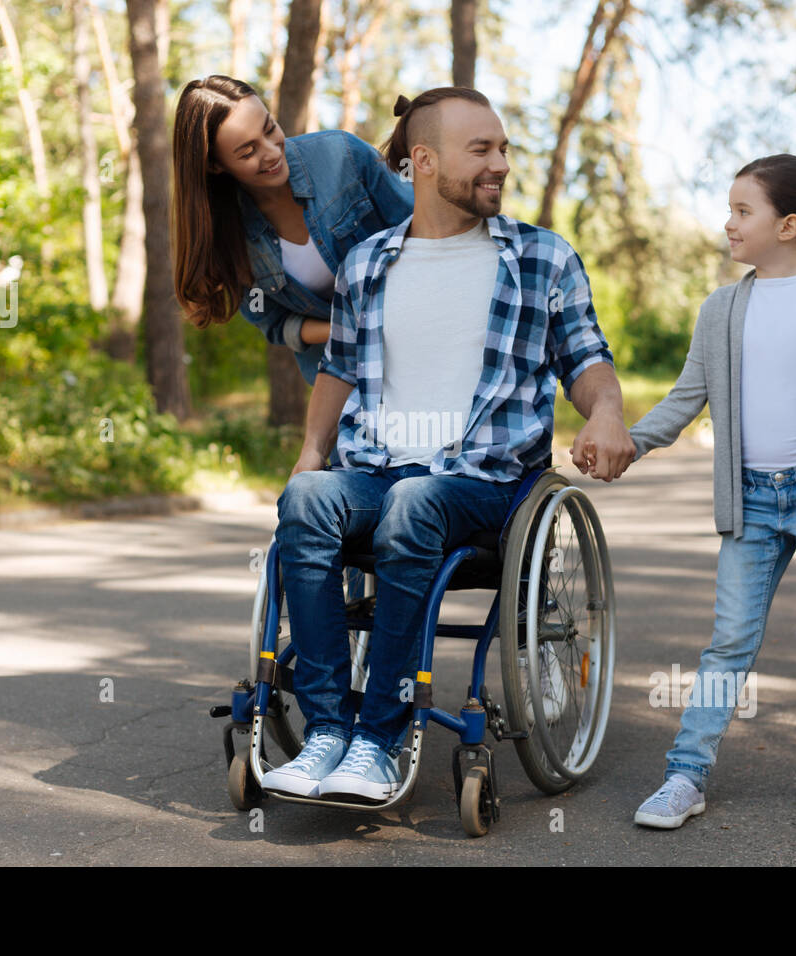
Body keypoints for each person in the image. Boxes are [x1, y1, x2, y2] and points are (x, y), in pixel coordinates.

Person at [260, 87, 635, 800]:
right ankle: (329, 733)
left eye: (503, 149)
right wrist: (311, 456)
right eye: (481, 150)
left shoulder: (541, 258)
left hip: (485, 484)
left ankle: (378, 738)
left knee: (416, 502)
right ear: (423, 161)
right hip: (378, 471)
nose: (500, 164)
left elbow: (585, 357)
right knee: (308, 499)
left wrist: (606, 412)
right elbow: (338, 367)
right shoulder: (368, 264)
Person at [627, 154, 796, 828]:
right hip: (750, 502)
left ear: (790, 226)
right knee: (730, 642)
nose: (729, 222)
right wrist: (631, 442)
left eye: (744, 211)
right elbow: (687, 397)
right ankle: (686, 776)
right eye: (731, 209)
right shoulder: (722, 308)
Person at [170, 75, 414, 384]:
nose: (271, 152)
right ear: (215, 166)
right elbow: (276, 323)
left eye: (270, 128)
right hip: (347, 380)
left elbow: (422, 227)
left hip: (422, 335)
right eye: (247, 152)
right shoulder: (229, 239)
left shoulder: (341, 155)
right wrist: (346, 329)